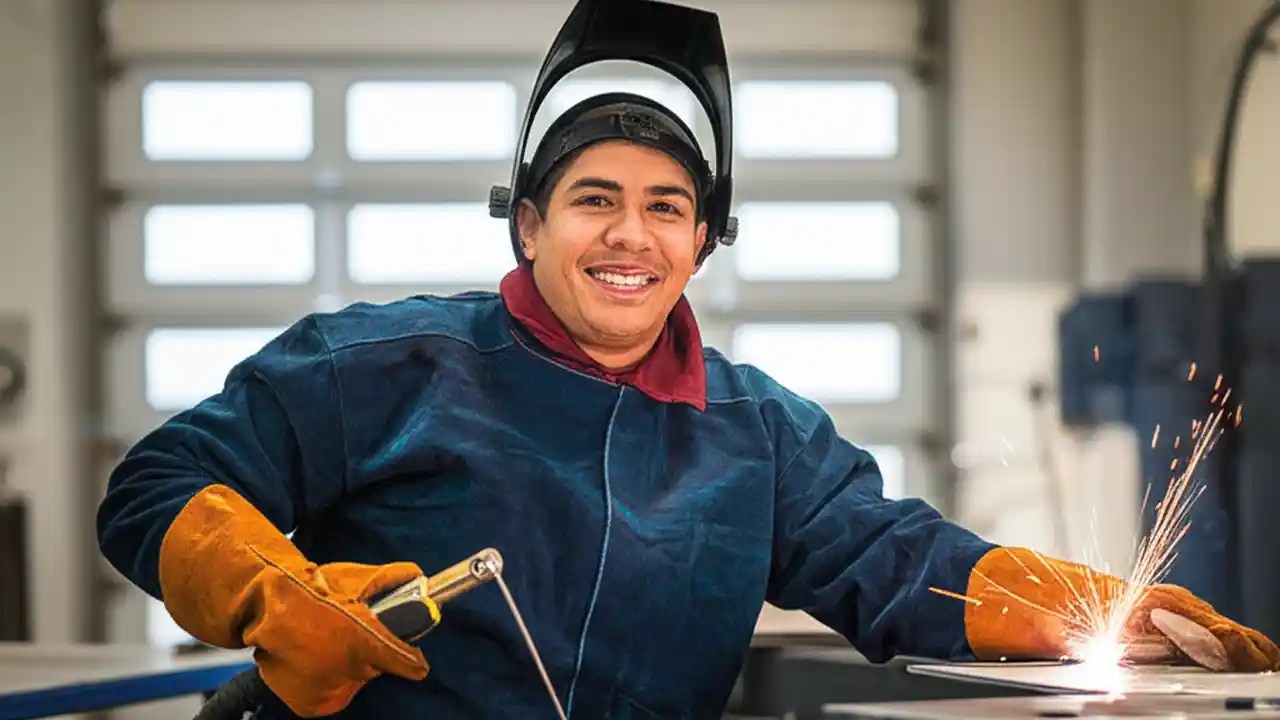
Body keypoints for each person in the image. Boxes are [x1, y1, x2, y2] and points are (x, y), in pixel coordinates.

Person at [96, 2, 1280, 719]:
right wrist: (272, 590)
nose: (630, 235)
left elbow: (897, 564)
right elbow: (156, 483)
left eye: (666, 206)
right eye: (592, 199)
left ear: (704, 240)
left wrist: (1084, 607)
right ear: (526, 222)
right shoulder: (387, 367)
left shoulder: (756, 435)